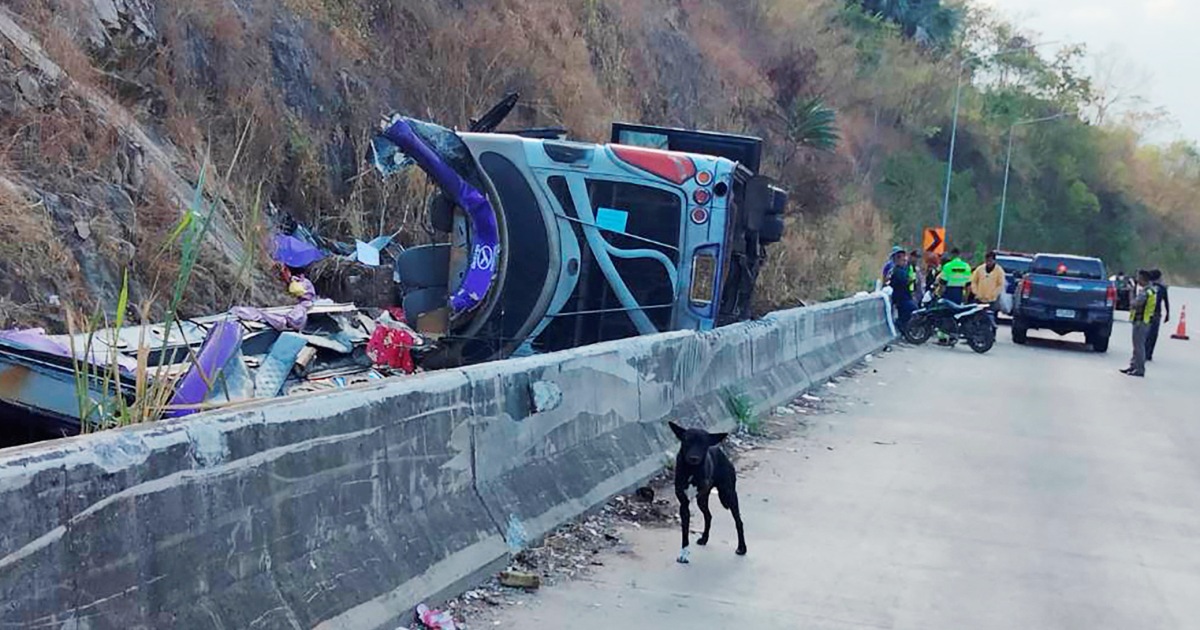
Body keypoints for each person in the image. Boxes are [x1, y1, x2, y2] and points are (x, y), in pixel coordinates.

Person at [1121, 270, 1158, 377]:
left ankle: (1139, 369)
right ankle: (1134, 366)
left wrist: (1131, 293)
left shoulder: (1146, 292)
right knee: (1137, 346)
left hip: (1141, 322)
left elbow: (1134, 304)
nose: (1137, 280)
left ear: (1143, 279)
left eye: (1139, 278)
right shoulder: (1150, 290)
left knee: (1139, 346)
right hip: (1142, 321)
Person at [887, 249, 917, 331]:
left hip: (905, 296)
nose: (905, 261)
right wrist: (910, 280)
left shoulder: (904, 269)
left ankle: (904, 329)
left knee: (905, 315)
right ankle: (902, 327)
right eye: (903, 260)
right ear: (897, 259)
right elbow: (904, 281)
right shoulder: (897, 271)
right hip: (902, 298)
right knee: (912, 311)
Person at [1146, 269, 1171, 361]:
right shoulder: (1162, 288)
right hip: (1156, 313)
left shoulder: (1148, 287)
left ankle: (1144, 351)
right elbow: (1166, 302)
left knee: (1145, 333)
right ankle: (1149, 353)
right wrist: (1168, 314)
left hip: (1147, 313)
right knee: (1153, 334)